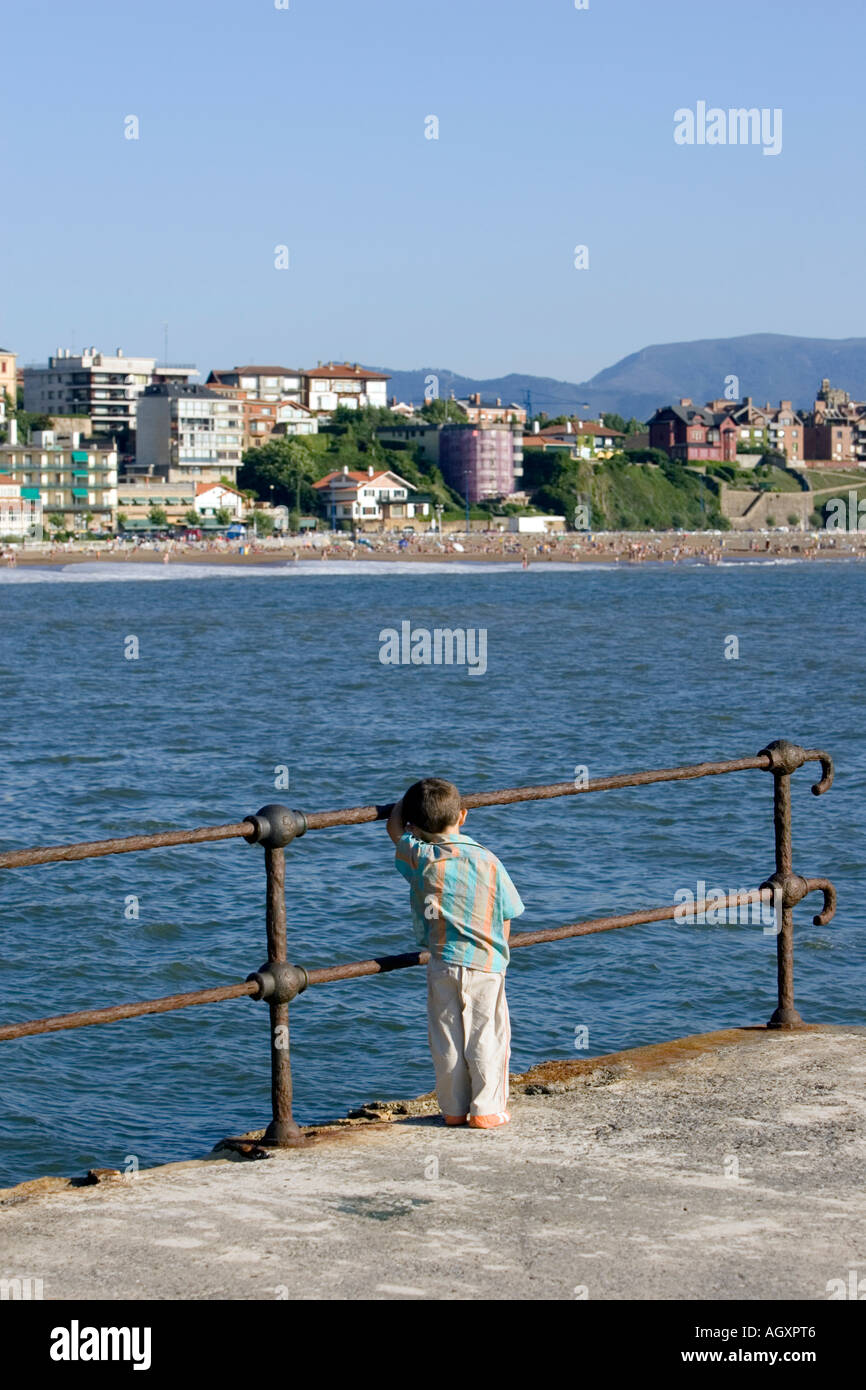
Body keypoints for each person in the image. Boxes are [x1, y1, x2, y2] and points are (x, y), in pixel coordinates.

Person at [387, 778, 524, 1129]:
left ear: (414, 826)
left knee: (446, 1037)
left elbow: (394, 829)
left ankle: (453, 1109)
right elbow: (507, 912)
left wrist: (403, 810)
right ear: (463, 816)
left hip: (443, 961)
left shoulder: (422, 858)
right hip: (486, 963)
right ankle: (486, 1109)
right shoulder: (489, 860)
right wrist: (499, 954)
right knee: (487, 1036)